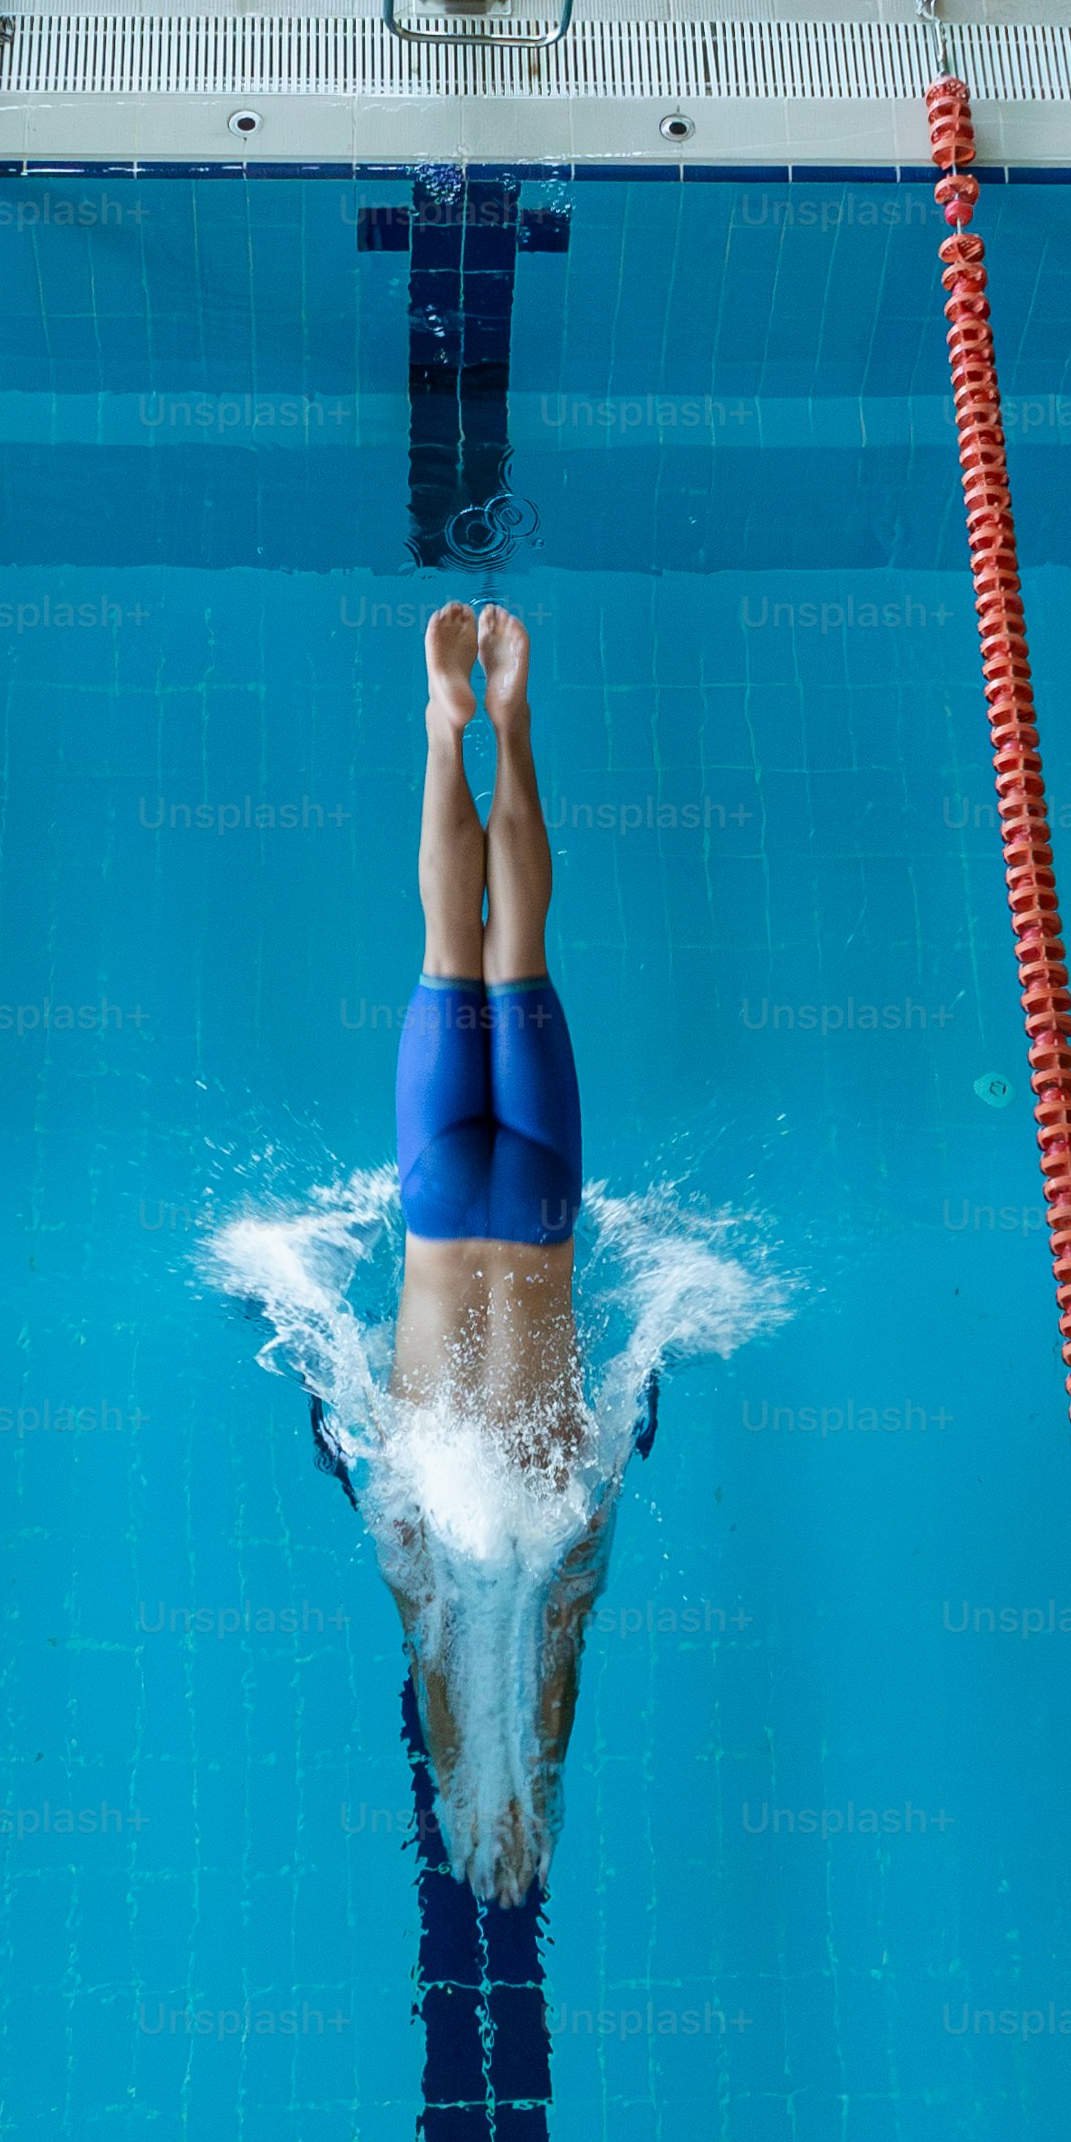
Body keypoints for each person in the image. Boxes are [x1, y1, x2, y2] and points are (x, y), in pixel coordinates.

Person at [379, 600, 606, 1907]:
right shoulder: (425, 1536)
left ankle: (502, 723)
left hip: (534, 1220)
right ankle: (445, 727)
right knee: (452, 949)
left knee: (510, 953)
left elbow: (557, 1663)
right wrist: (485, 1788)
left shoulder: (548, 1532)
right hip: (433, 1205)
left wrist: (533, 1787)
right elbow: (441, 1686)